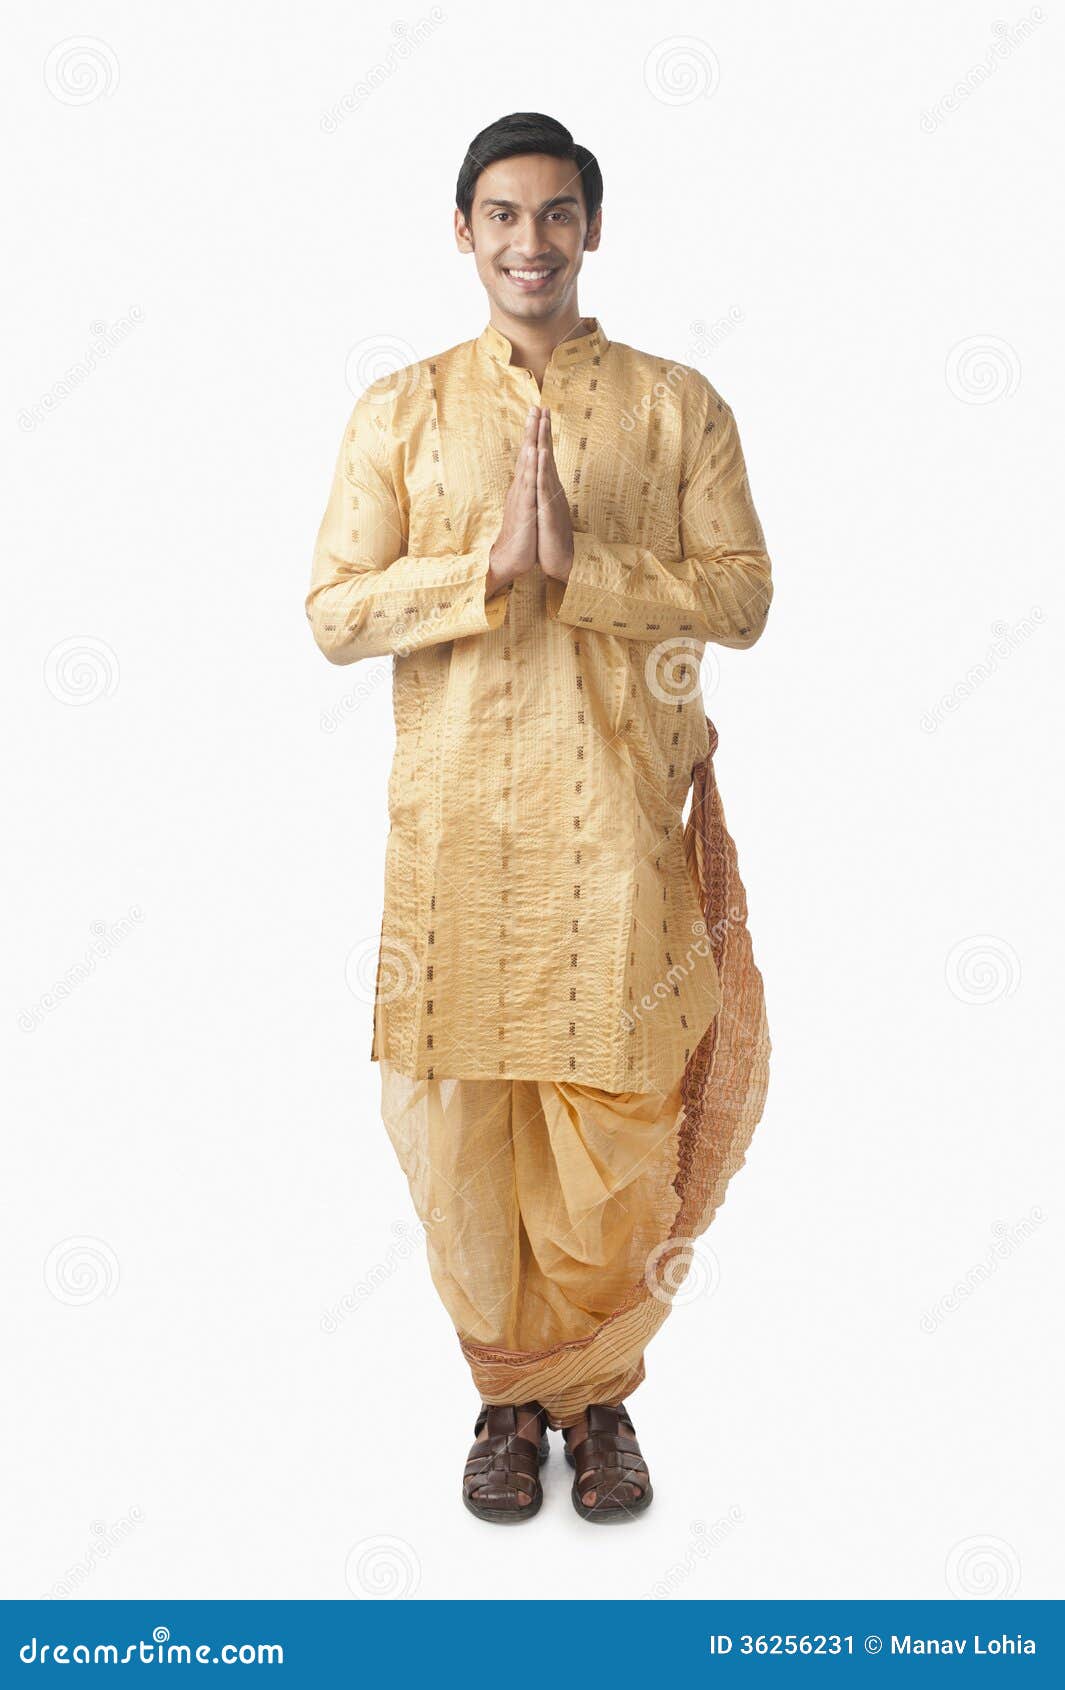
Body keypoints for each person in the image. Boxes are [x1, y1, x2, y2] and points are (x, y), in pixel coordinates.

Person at [305, 112, 773, 1523]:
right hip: (453, 836)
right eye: (501, 216)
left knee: (615, 1121)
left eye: (555, 214)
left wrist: (586, 564)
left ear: (591, 229)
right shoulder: (397, 409)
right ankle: (508, 1397)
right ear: (464, 232)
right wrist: (482, 564)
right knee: (461, 1128)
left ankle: (599, 1393)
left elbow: (741, 596)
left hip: (613, 833)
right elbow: (333, 612)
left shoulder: (675, 403)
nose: (529, 241)